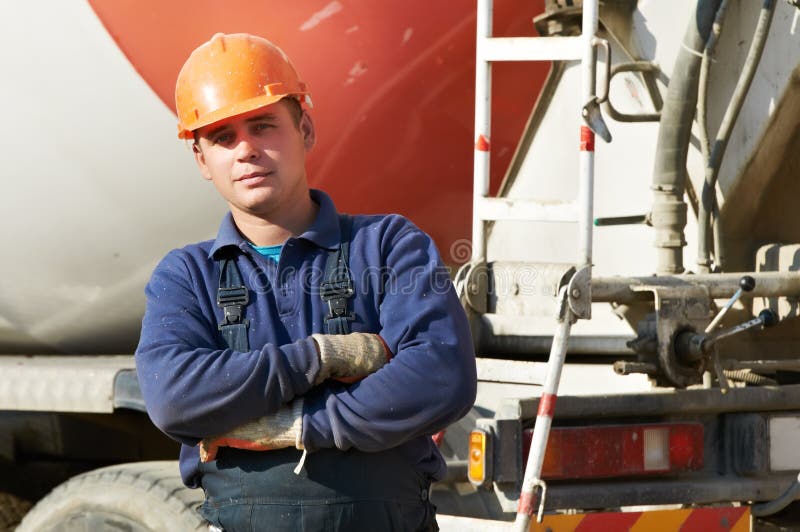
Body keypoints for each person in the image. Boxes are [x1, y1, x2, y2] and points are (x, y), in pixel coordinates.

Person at [135, 32, 477, 532]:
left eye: (263, 125)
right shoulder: (187, 275)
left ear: (306, 130)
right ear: (202, 161)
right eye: (223, 138)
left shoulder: (387, 246)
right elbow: (175, 399)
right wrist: (319, 358)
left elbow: (441, 377)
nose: (246, 149)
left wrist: (300, 426)